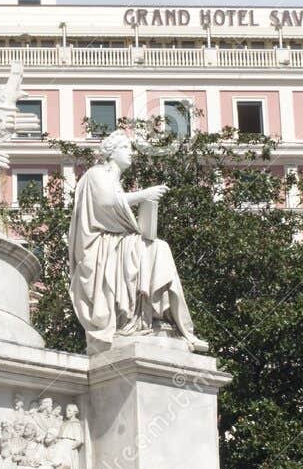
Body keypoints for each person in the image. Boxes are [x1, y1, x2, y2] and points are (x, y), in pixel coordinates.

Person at [67, 131, 202, 349]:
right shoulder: (97, 173)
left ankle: (155, 319)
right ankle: (144, 317)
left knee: (158, 248)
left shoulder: (112, 179)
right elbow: (107, 202)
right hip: (101, 246)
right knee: (158, 248)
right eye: (125, 148)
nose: (131, 154)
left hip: (116, 242)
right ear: (111, 152)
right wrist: (145, 194)